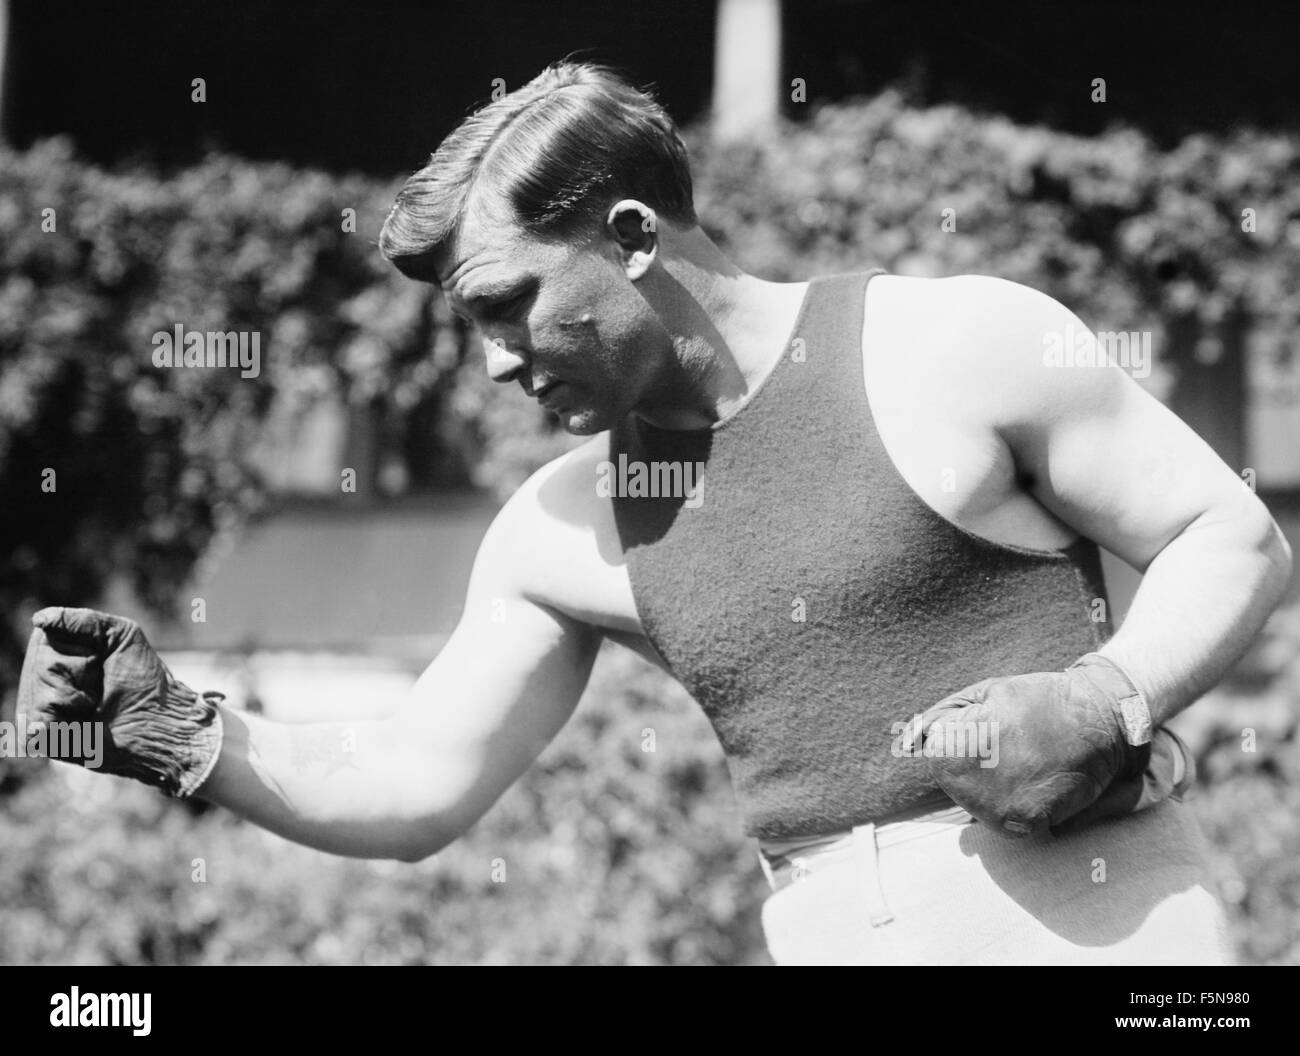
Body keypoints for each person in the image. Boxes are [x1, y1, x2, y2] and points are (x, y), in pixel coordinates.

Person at [18, 62, 1293, 965]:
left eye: (507, 304)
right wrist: (172, 729)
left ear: (630, 234)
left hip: (1106, 932)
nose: (494, 364)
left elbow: (1229, 533)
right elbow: (413, 779)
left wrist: (1106, 697)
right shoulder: (559, 526)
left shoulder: (954, 342)